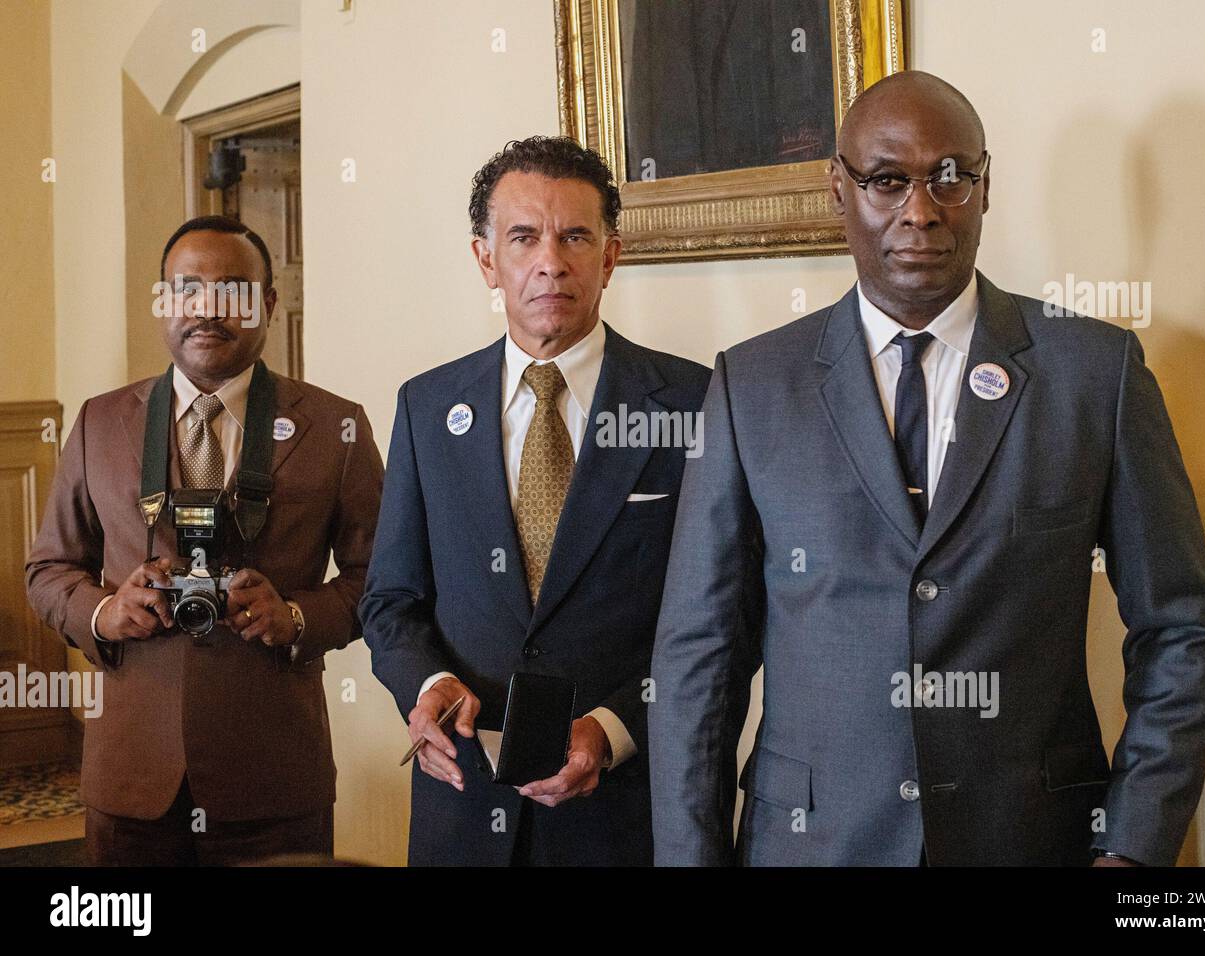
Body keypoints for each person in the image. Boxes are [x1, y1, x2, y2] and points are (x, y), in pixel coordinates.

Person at [648, 71, 1205, 866]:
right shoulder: (752, 387)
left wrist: (1130, 848)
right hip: (812, 843)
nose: (920, 211)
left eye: (950, 177)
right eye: (887, 180)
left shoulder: (1096, 374)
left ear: (985, 188)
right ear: (839, 190)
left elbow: (1182, 629)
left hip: (1035, 841)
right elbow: (699, 658)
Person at [361, 136, 711, 866]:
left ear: (610, 256)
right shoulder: (428, 407)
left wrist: (615, 728)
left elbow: (716, 618)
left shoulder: (694, 403)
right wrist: (425, 685)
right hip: (463, 806)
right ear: (486, 259)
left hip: (624, 814)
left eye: (575, 236)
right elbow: (391, 600)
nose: (551, 260)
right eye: (523, 237)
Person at [26, 215, 384, 865]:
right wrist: (108, 612)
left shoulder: (337, 427)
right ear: (163, 302)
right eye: (186, 288)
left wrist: (297, 615)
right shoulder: (98, 422)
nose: (207, 308)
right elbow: (49, 567)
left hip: (275, 776)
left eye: (234, 290)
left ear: (269, 304)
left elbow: (383, 578)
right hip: (132, 779)